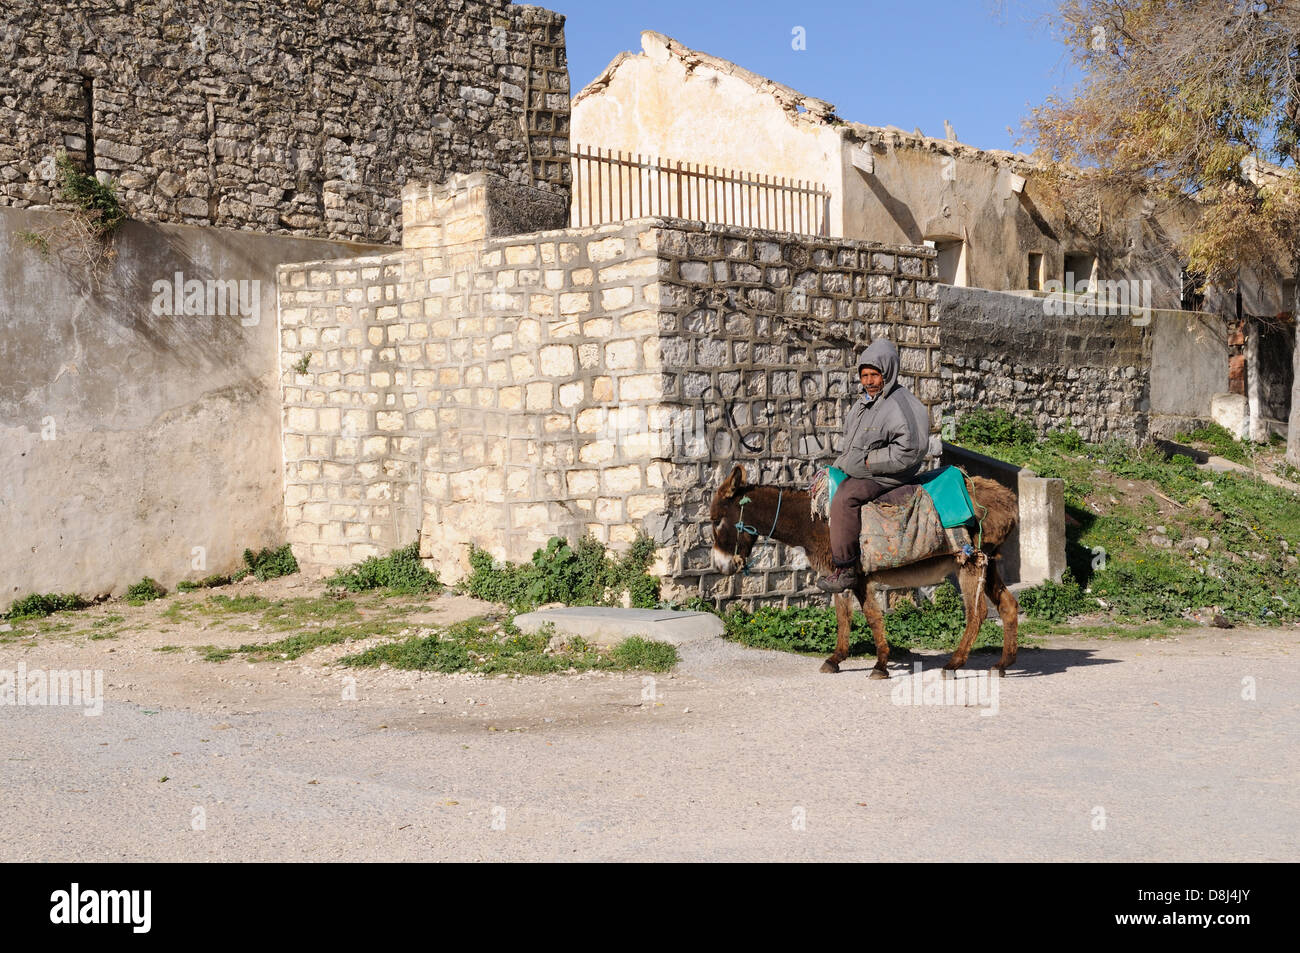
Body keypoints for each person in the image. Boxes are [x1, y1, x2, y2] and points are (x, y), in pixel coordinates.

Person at [816, 339, 930, 593]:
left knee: (845, 498)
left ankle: (845, 569)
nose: (868, 381)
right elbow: (854, 445)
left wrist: (871, 462)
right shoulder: (863, 403)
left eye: (874, 375)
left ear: (887, 373)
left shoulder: (901, 405)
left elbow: (911, 450)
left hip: (887, 476)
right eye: (864, 375)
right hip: (863, 470)